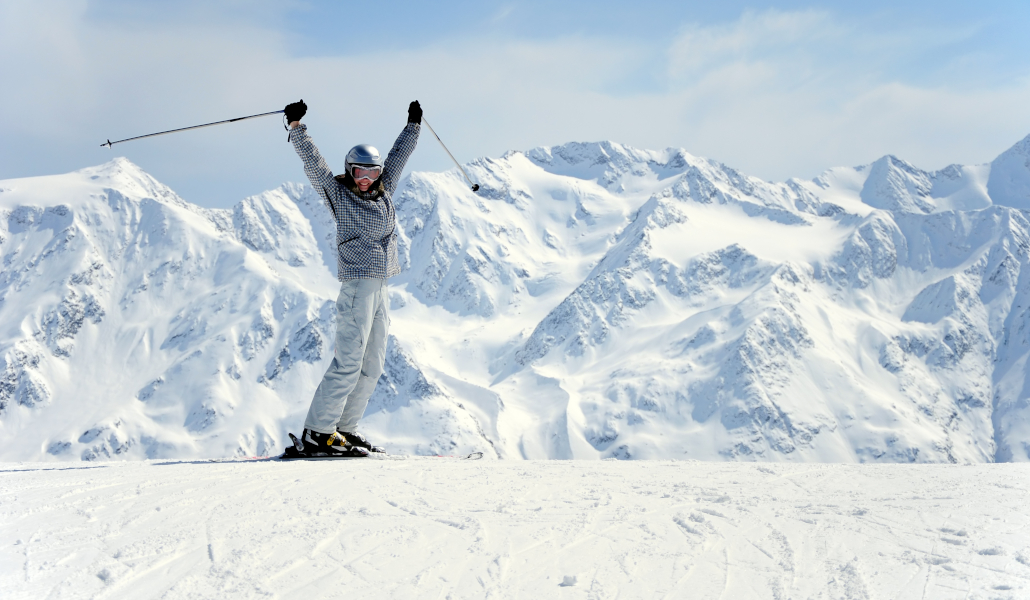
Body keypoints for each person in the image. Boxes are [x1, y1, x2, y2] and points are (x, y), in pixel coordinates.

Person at [284, 99, 422, 456]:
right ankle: (318, 431)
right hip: (357, 286)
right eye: (359, 173)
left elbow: (398, 159)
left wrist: (413, 126)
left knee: (372, 364)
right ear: (349, 172)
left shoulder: (384, 192)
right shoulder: (340, 196)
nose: (365, 180)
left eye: (372, 173)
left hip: (380, 286)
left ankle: (343, 428)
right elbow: (315, 167)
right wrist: (297, 126)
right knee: (348, 361)